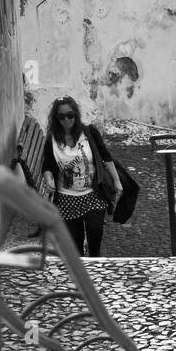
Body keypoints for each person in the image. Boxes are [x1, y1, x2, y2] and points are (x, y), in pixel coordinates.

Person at [40, 96, 122, 257]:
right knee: (75, 244)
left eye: (70, 115)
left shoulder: (89, 132)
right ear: (56, 119)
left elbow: (106, 156)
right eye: (61, 116)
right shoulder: (52, 140)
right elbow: (48, 165)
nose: (66, 119)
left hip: (93, 194)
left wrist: (117, 181)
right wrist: (48, 178)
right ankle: (81, 277)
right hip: (66, 198)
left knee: (95, 232)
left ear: (76, 115)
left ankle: (95, 270)